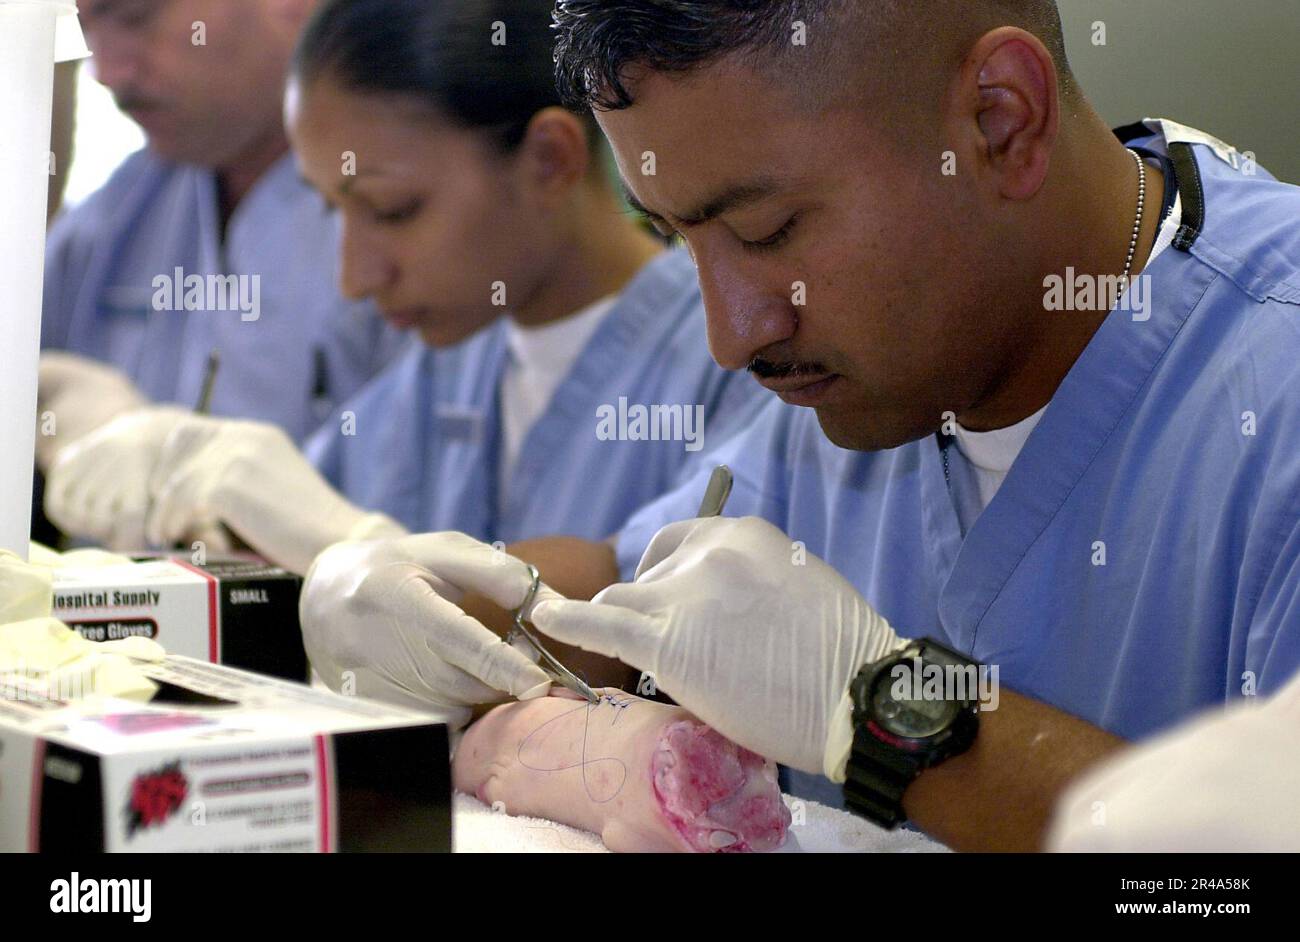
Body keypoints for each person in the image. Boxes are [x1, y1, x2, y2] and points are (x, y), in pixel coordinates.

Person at [300, 0, 1300, 851]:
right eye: (670, 233)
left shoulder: (1266, 388)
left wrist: (883, 711)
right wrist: (425, 599)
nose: (731, 335)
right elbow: (622, 587)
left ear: (1001, 122)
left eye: (767, 232)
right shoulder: (868, 372)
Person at [50, 0, 764, 640]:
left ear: (549, 160)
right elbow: (264, 538)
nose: (356, 278)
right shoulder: (436, 380)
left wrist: (348, 543)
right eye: (334, 211)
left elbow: (651, 629)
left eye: (392, 211)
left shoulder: (740, 367)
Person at [38, 0, 406, 549]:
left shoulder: (411, 218)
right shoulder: (110, 223)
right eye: (85, 26)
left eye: (135, 16)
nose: (106, 72)